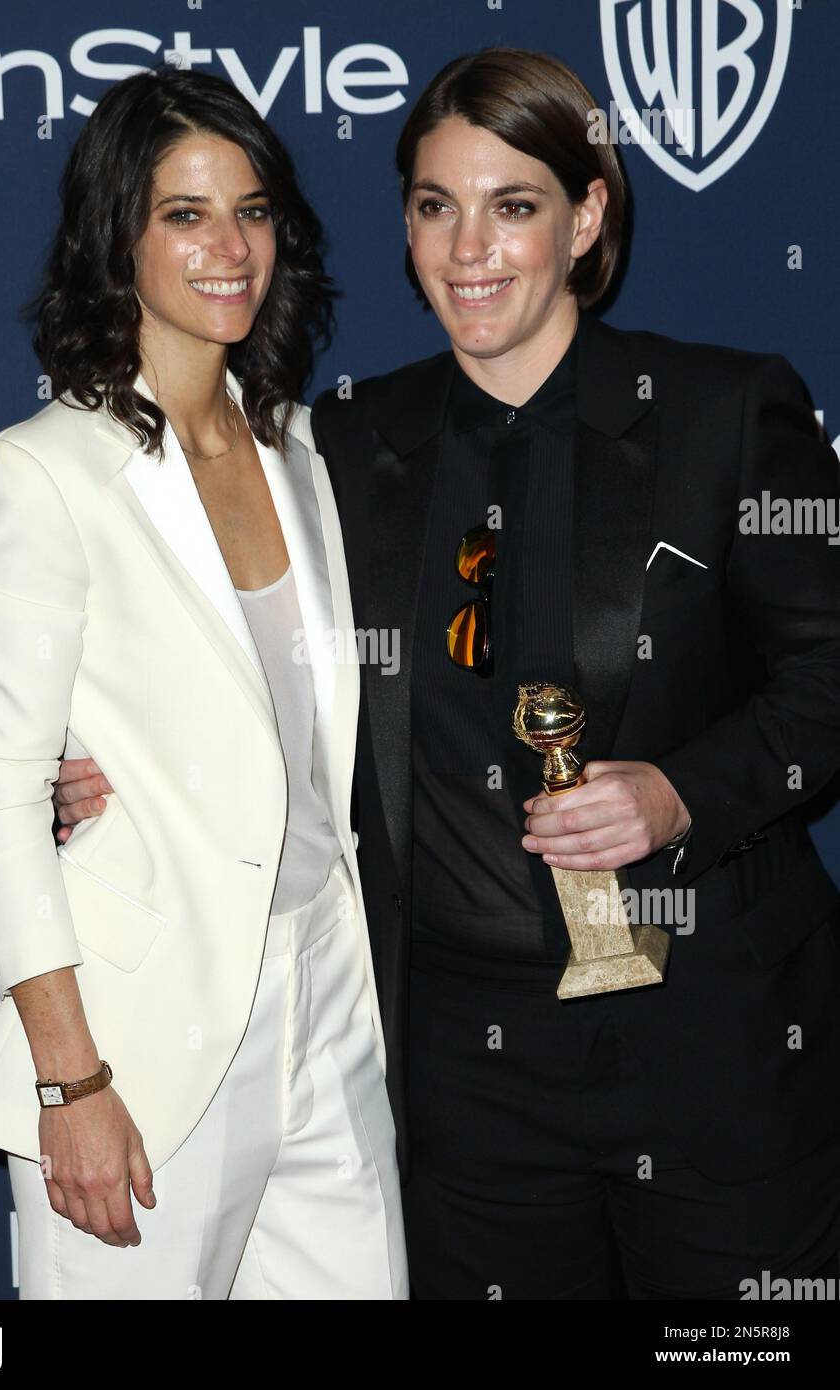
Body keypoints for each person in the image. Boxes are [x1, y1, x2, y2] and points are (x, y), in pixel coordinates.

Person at [57, 48, 840, 1299]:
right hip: (458, 1066)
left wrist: (677, 796)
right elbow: (234, 660)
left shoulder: (723, 412)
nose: (468, 246)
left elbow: (824, 682)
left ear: (585, 217)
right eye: (434, 205)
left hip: (709, 1035)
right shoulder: (336, 444)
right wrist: (98, 770)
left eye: (514, 204)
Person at [0, 64, 407, 1301]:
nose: (230, 247)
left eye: (252, 210)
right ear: (118, 236)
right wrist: (70, 1082)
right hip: (141, 1035)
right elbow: (2, 796)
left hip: (328, 998)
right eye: (185, 214)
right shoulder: (41, 473)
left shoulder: (298, 450)